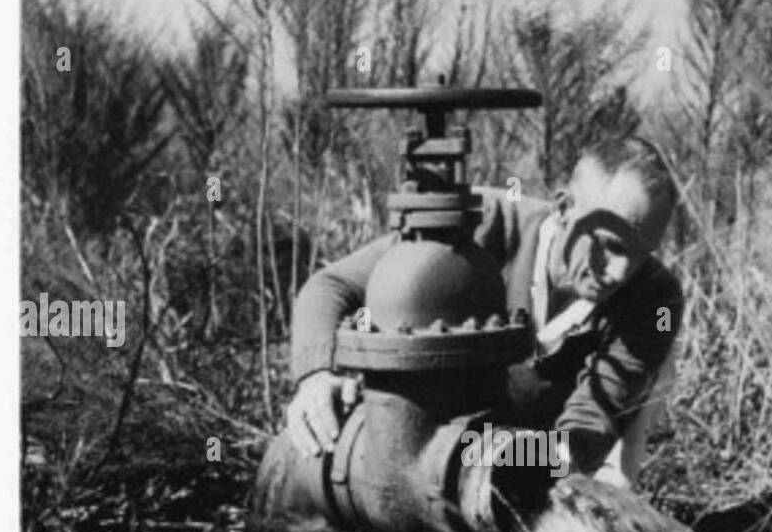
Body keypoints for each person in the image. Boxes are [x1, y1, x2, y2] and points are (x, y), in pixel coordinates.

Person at [286, 135, 684, 491]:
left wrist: (516, 467)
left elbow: (591, 426)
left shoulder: (653, 295)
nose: (619, 272)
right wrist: (316, 377)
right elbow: (331, 287)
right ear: (563, 208)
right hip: (428, 433)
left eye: (639, 254)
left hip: (521, 456)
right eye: (610, 246)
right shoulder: (478, 225)